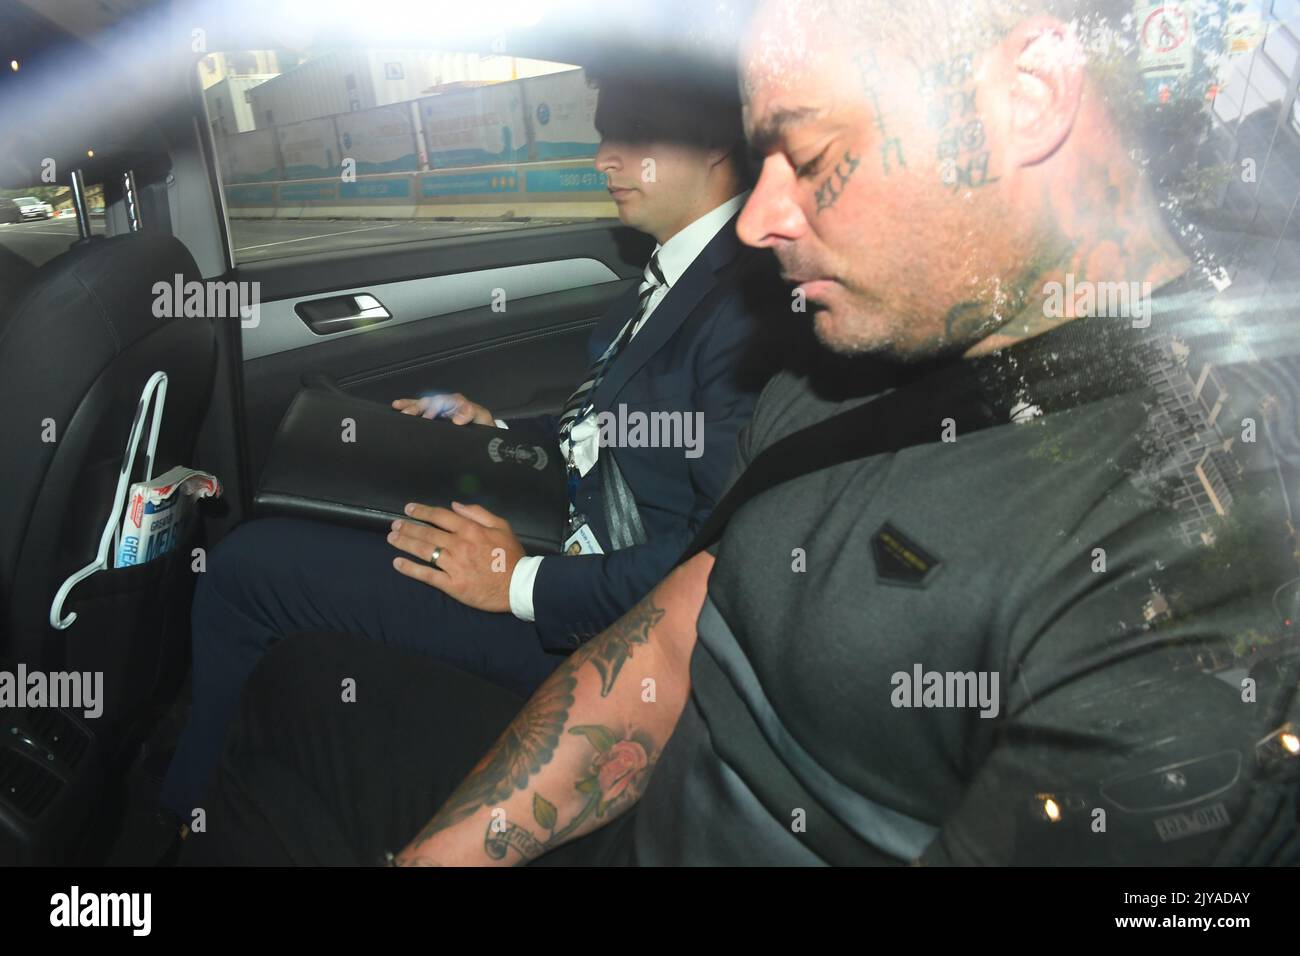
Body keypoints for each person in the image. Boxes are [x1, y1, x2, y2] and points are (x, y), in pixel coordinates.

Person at [183, 0, 1300, 865]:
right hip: (645, 810)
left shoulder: (1198, 553)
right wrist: (452, 847)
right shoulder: (839, 359)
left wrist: (521, 582)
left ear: (1026, 99)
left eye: (811, 159)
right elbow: (679, 628)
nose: (761, 218)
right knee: (297, 691)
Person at [159, 64, 789, 821]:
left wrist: (518, 584)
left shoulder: (751, 306)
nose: (603, 160)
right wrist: (494, 431)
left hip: (603, 628)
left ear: (714, 141)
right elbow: (615, 439)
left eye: (629, 137)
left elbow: (716, 557)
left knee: (244, 571)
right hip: (558, 538)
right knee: (315, 513)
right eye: (601, 138)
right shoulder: (669, 275)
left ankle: (182, 823)